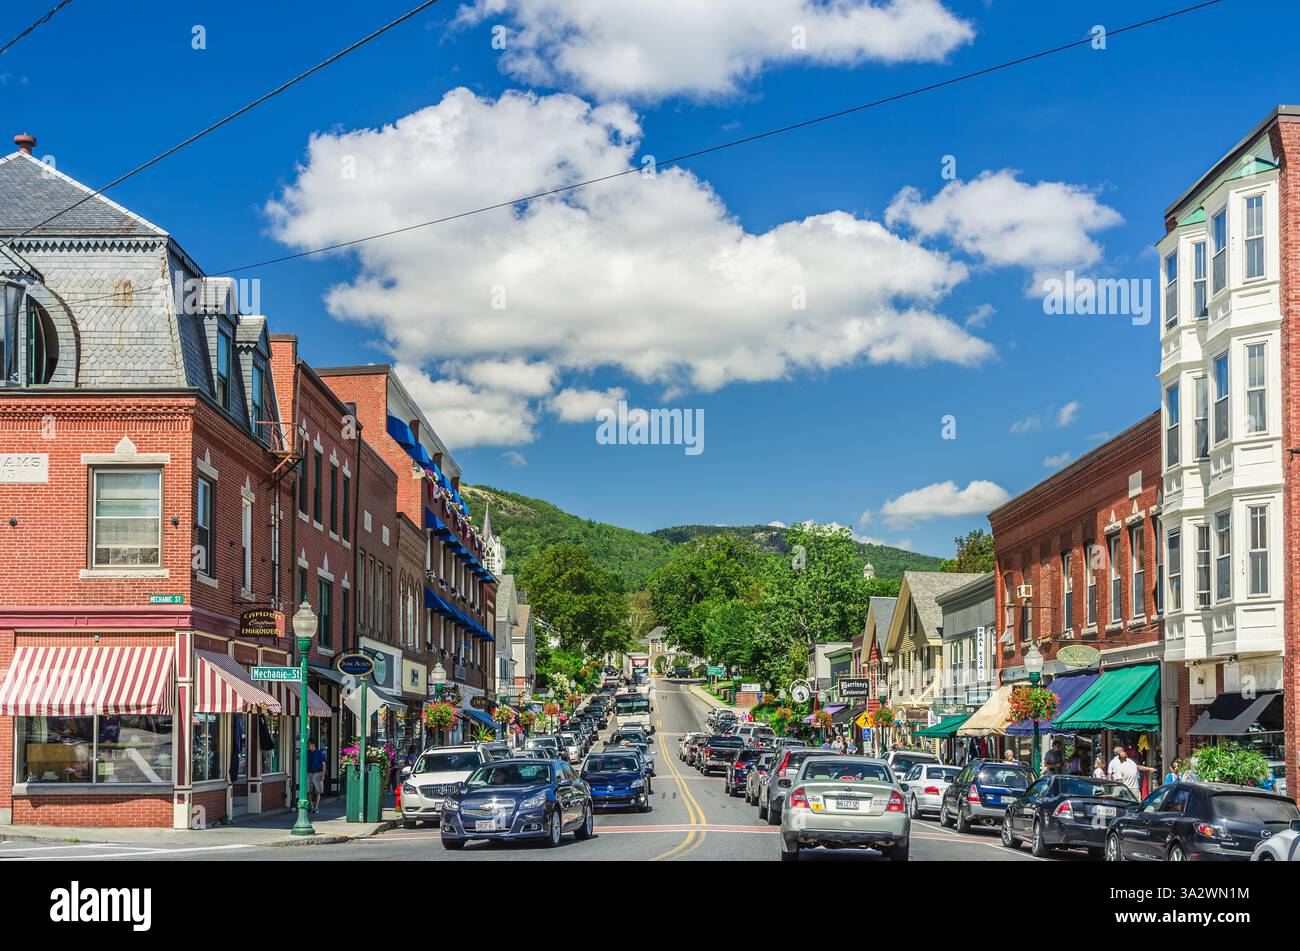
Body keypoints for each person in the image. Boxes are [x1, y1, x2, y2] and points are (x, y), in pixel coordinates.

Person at [306, 740, 326, 813]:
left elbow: (323, 764)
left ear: (313, 744)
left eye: (309, 745)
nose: (308, 746)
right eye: (308, 745)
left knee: (318, 790)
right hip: (309, 772)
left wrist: (323, 775)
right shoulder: (307, 752)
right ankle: (311, 804)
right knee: (308, 790)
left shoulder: (319, 753)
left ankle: (316, 807)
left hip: (318, 772)